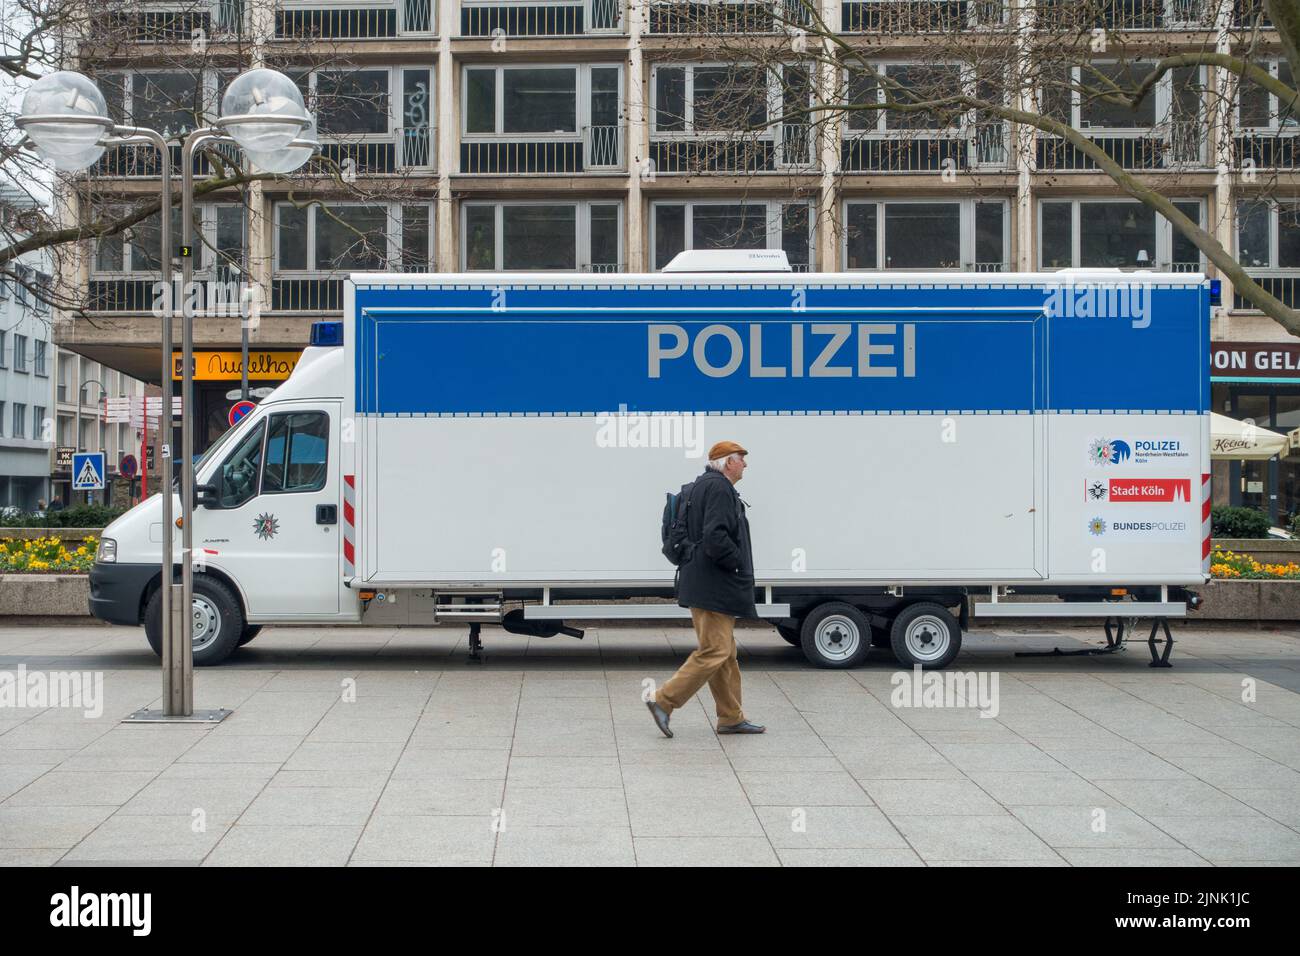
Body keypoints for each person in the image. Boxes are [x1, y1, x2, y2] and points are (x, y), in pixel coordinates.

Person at [647, 440, 765, 737]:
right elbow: (716, 537)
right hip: (713, 585)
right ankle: (663, 700)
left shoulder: (701, 486)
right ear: (727, 462)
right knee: (715, 650)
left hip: (702, 581)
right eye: (741, 459)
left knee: (726, 654)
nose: (745, 465)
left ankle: (730, 717)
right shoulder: (719, 488)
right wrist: (737, 562)